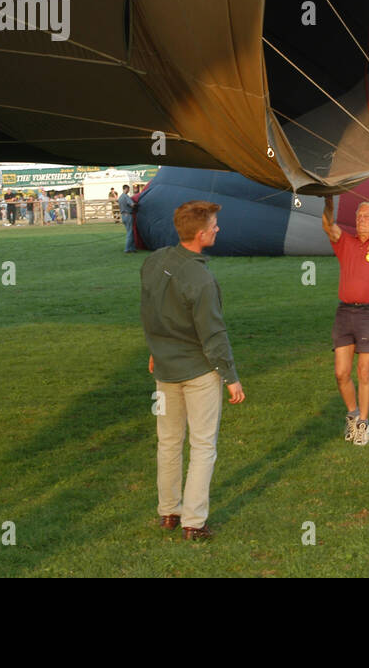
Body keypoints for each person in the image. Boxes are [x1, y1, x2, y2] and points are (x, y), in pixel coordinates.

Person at [141, 200, 244, 541]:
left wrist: (156, 349)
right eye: (214, 225)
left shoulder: (154, 262)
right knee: (202, 447)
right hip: (199, 372)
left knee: (168, 442)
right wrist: (231, 378)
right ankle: (193, 523)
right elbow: (213, 335)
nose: (218, 229)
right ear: (201, 234)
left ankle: (169, 512)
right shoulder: (201, 279)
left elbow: (150, 312)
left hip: (165, 370)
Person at [322, 169, 369, 446]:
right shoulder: (346, 243)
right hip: (345, 313)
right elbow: (329, 226)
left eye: (366, 217)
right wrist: (328, 198)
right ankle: (352, 414)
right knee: (341, 373)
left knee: (364, 371)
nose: (361, 220)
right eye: (359, 216)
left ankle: (363, 422)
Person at [118, 184, 136, 253]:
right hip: (128, 215)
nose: (128, 190)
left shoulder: (120, 197)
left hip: (123, 216)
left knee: (130, 231)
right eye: (128, 189)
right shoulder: (126, 196)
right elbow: (132, 204)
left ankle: (132, 248)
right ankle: (127, 248)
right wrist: (136, 204)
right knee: (130, 232)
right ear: (126, 189)